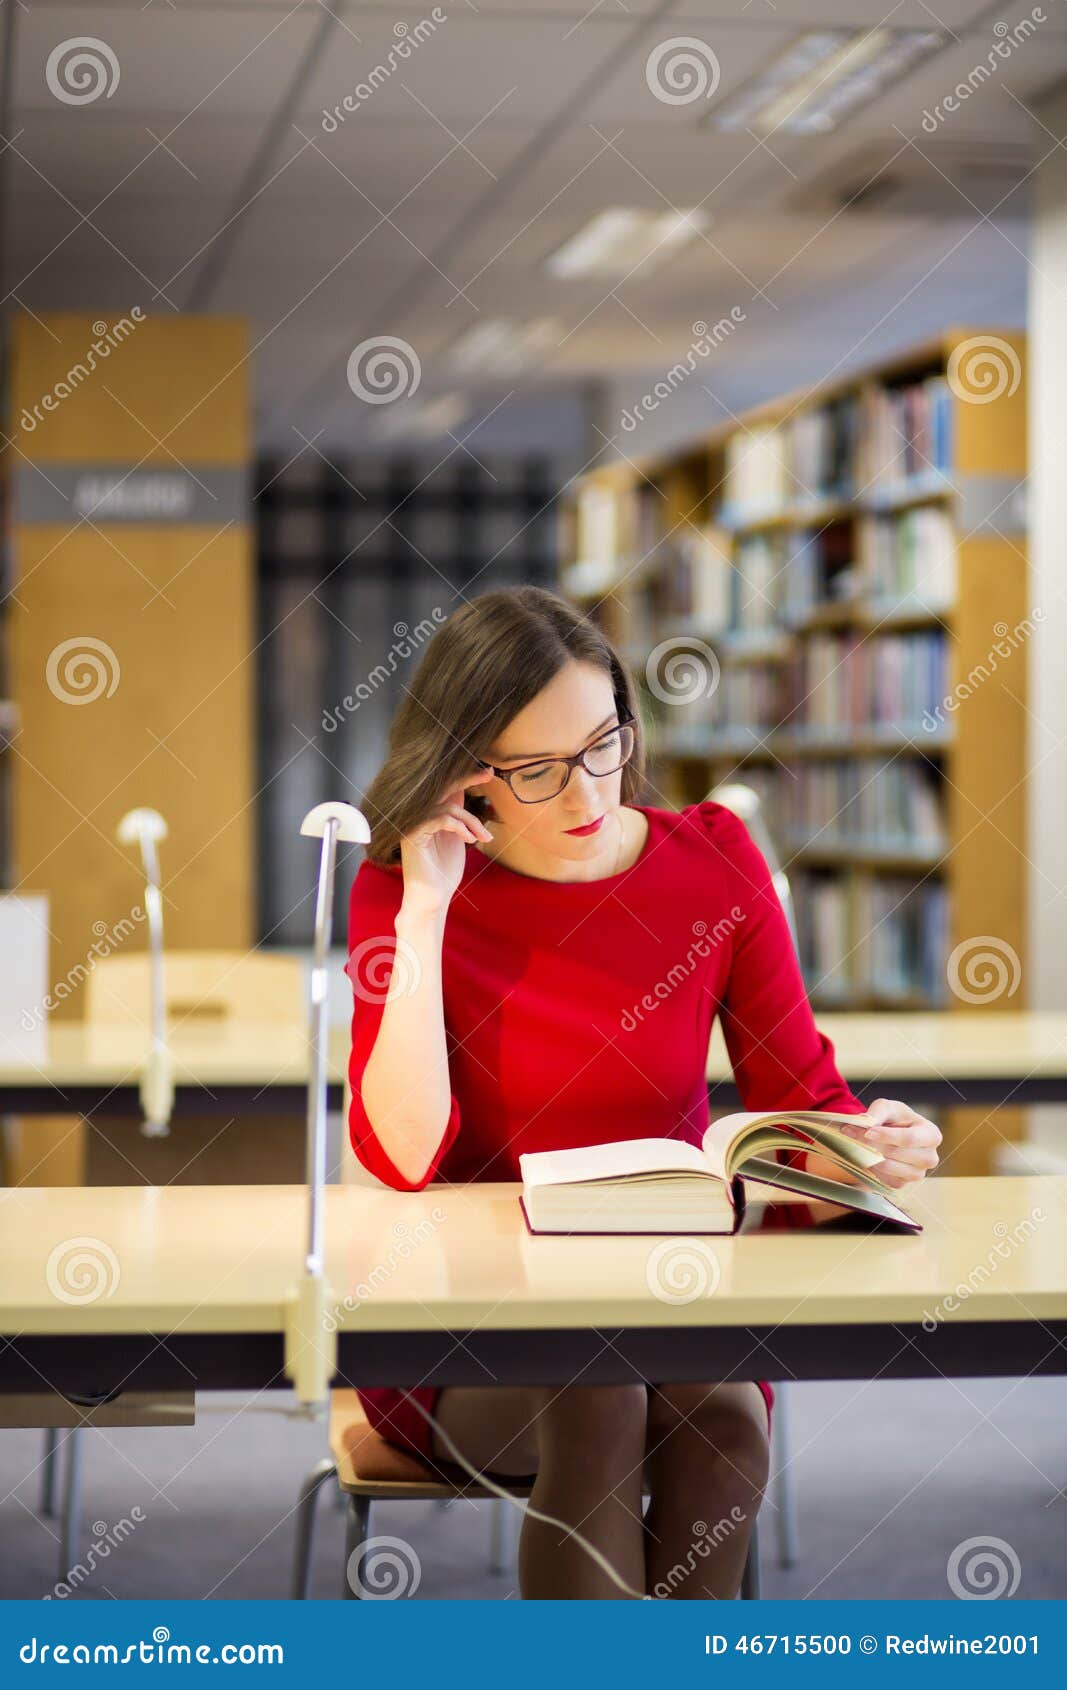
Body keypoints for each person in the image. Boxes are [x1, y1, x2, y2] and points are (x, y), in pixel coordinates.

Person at [345, 585, 941, 1599]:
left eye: (601, 745)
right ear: (466, 774)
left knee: (721, 1418)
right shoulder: (407, 887)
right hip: (465, 1327)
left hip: (677, 1299)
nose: (585, 795)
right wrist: (429, 904)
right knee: (597, 1384)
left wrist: (866, 1142)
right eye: (536, 770)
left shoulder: (712, 864)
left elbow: (799, 1088)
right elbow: (399, 1156)